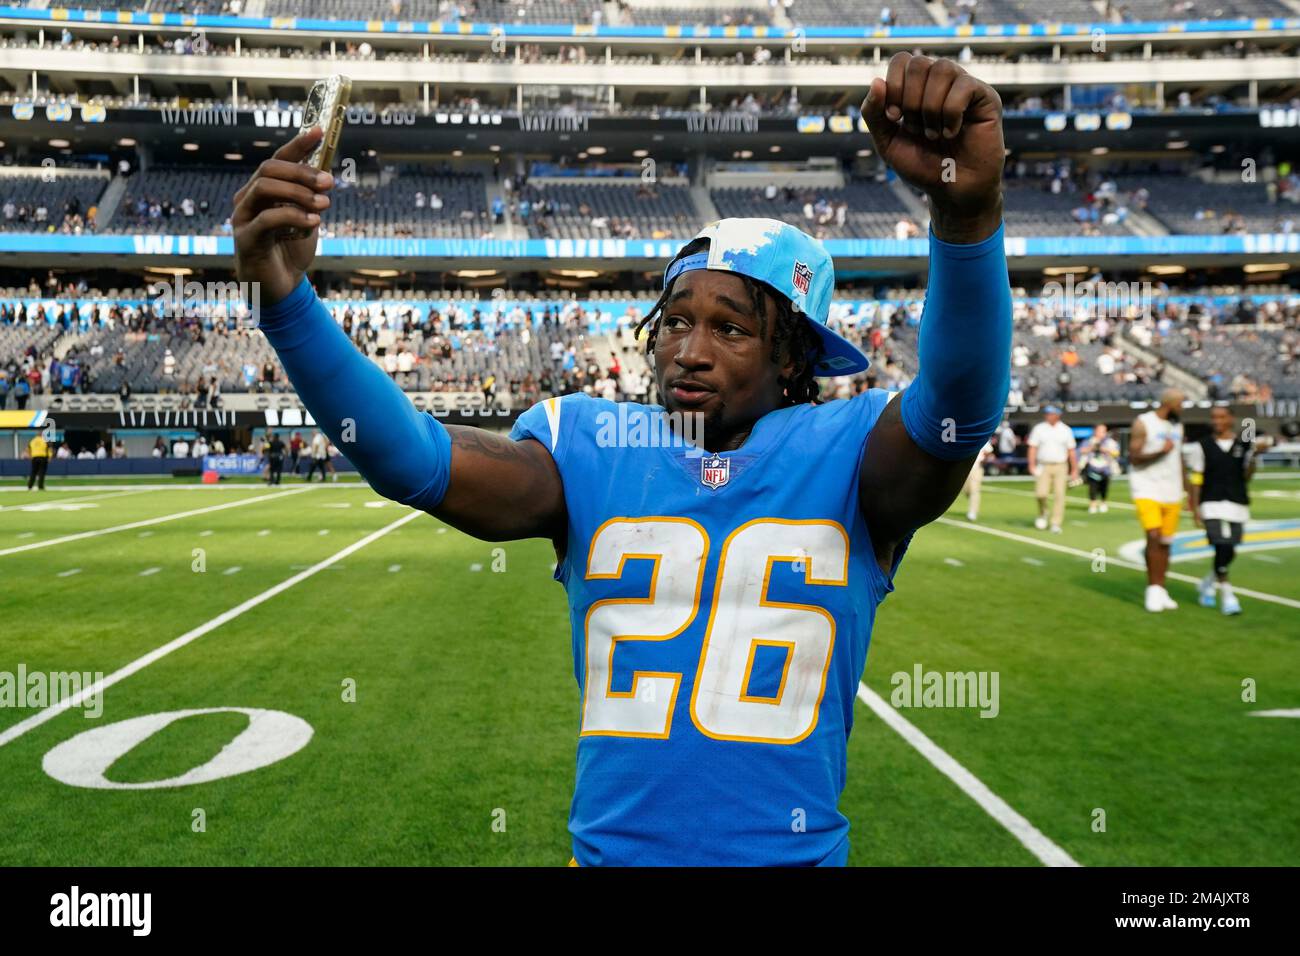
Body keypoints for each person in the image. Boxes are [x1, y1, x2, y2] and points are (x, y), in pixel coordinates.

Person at [232, 52, 1011, 866]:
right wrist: (286, 306)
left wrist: (968, 222)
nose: (692, 352)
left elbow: (957, 409)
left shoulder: (849, 453)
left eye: (732, 328)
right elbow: (411, 459)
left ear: (792, 358)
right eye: (676, 322)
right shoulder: (590, 445)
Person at [1185, 406, 1256, 616]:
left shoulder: (1244, 444)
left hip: (1237, 500)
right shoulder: (1202, 446)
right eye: (1214, 417)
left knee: (1231, 548)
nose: (1217, 421)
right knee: (1220, 545)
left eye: (1222, 417)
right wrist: (1195, 508)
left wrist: (1253, 458)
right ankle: (1228, 595)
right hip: (1211, 501)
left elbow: (1247, 476)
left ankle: (1207, 582)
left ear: (1231, 419)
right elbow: (1197, 479)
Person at [1128, 388, 1187, 613]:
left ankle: (1162, 589)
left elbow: (1179, 458)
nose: (1182, 408)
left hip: (1172, 490)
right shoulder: (1144, 423)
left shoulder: (1177, 426)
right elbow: (1134, 458)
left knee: (1165, 542)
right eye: (1180, 403)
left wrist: (1188, 491)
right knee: (1153, 536)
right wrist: (1161, 452)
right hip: (1147, 488)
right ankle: (1152, 589)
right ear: (1169, 403)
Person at [1026, 405, 1077, 533]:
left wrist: (1074, 469)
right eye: (1046, 413)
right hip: (1043, 465)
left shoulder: (1066, 430)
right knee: (1040, 494)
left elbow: (1071, 451)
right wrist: (1031, 465)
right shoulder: (1039, 429)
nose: (1047, 415)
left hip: (1060, 465)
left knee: (1059, 495)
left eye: (1050, 413)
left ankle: (1056, 522)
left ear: (1057, 415)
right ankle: (1043, 513)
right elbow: (1032, 448)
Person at [1077, 423, 1120, 514]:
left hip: (1105, 468)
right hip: (1092, 468)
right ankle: (1093, 504)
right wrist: (1092, 448)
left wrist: (1105, 450)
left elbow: (1116, 453)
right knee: (1093, 486)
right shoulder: (1089, 441)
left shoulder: (1110, 442)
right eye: (1100, 431)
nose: (1102, 433)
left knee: (1104, 487)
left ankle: (1103, 502)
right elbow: (1080, 450)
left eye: (1104, 431)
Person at [962, 439, 995, 521]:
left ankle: (972, 512)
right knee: (966, 490)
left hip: (976, 467)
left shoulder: (980, 437)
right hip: (964, 467)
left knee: (974, 490)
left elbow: (989, 450)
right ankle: (972, 502)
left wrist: (984, 458)